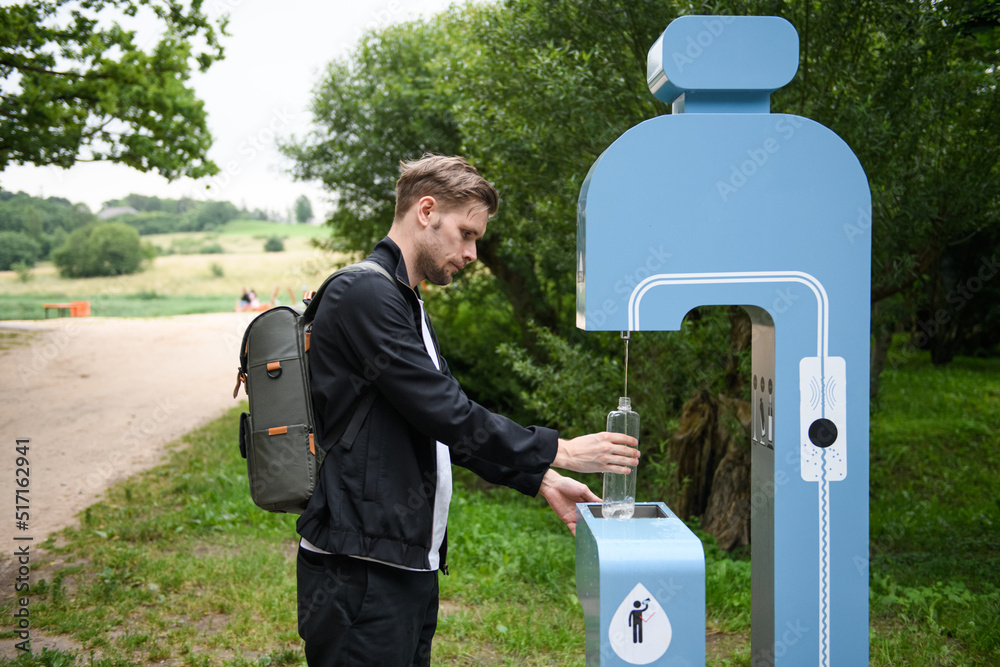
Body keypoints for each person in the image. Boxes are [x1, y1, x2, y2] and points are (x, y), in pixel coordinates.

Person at [295, 154, 639, 666]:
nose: (474, 252)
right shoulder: (363, 293)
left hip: (402, 558)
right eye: (467, 233)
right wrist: (561, 449)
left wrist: (542, 478)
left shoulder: (402, 299)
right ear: (426, 210)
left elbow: (441, 424)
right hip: (360, 567)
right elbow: (447, 410)